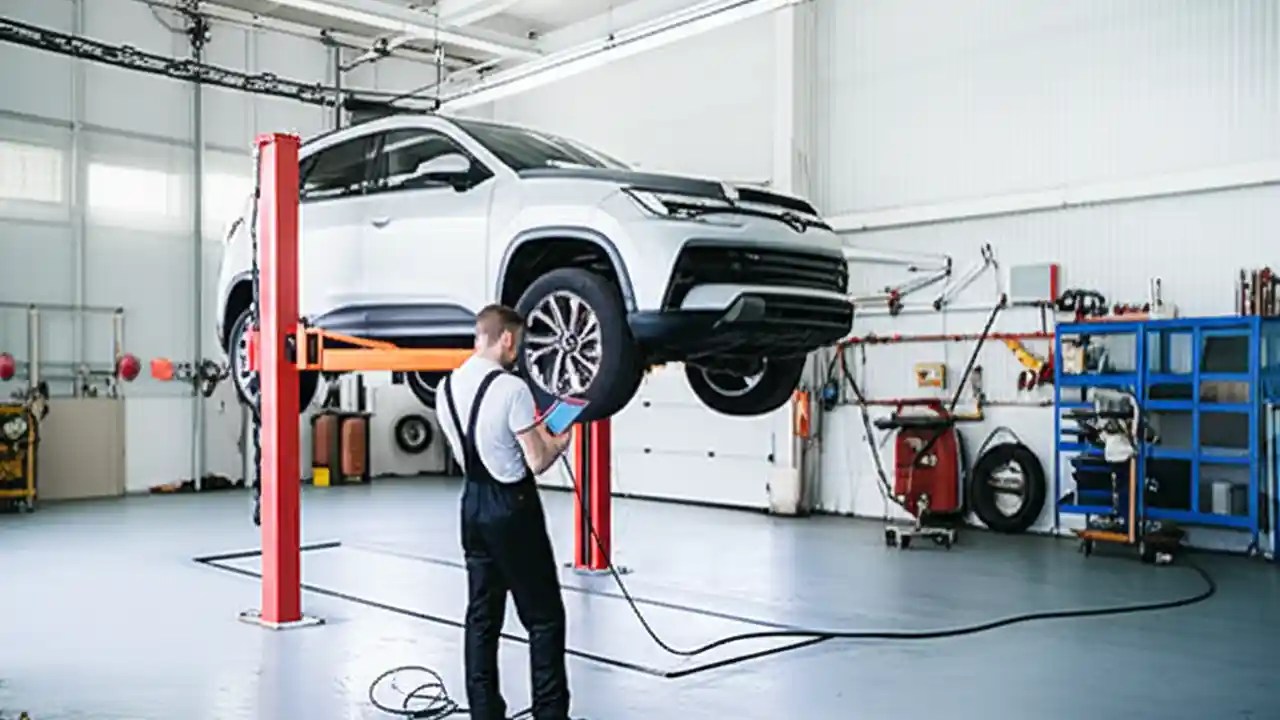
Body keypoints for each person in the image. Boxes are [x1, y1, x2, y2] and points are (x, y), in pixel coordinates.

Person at [437, 303, 575, 720]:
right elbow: (536, 460)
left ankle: (485, 711)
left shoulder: (446, 387)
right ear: (508, 338)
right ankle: (550, 713)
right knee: (544, 616)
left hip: (472, 504)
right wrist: (559, 440)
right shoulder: (512, 389)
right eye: (520, 344)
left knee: (482, 615)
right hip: (512, 508)